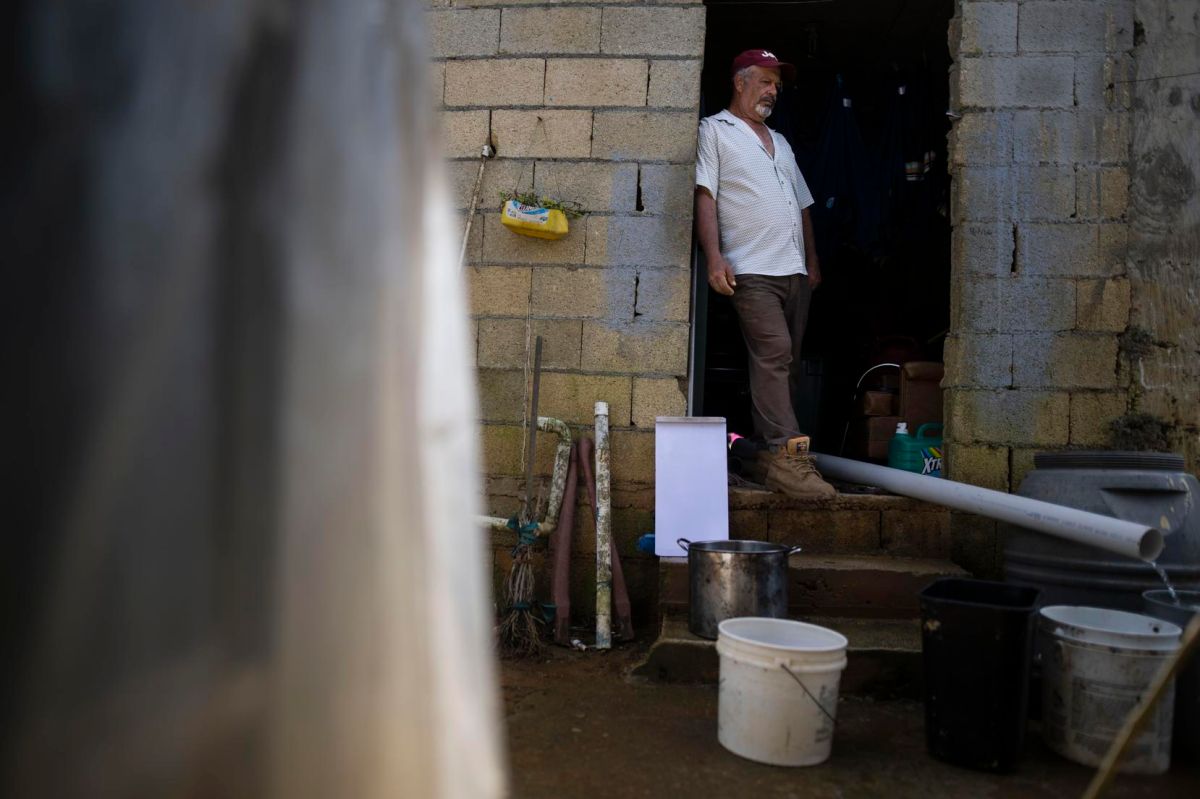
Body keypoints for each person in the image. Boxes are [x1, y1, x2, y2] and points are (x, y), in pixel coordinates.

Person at [694, 49, 836, 501]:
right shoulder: (715, 131)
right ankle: (787, 456)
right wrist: (714, 257)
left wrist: (811, 262)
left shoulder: (781, 141)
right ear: (740, 82)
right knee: (774, 352)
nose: (774, 91)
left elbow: (802, 205)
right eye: (766, 81)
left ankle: (767, 458)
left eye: (777, 84)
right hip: (751, 269)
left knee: (787, 363)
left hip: (792, 271)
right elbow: (706, 196)